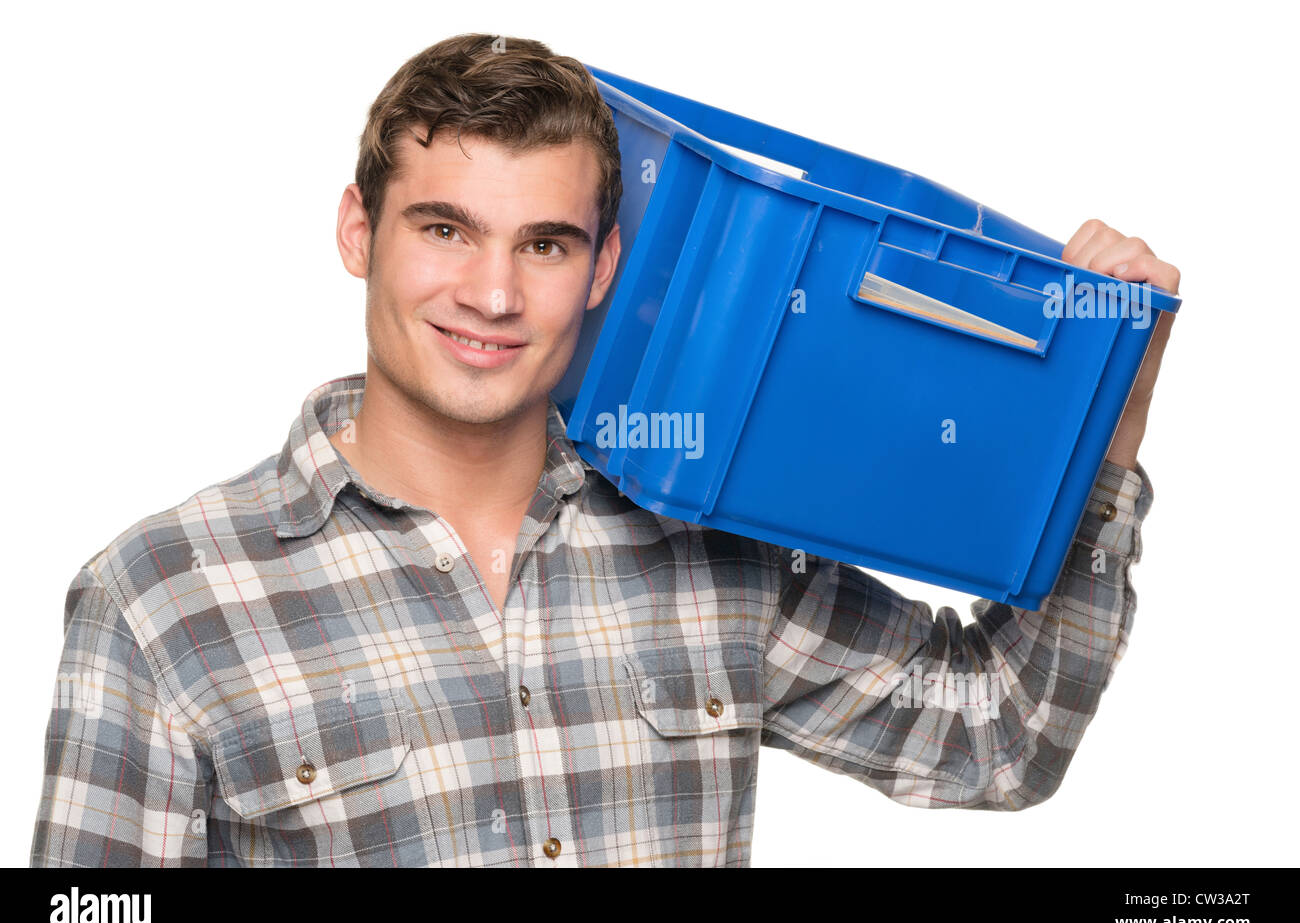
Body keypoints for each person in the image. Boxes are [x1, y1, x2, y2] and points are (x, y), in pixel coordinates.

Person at [30, 32, 1179, 867]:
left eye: (544, 242)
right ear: (357, 231)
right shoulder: (161, 601)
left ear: (604, 268)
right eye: (445, 229)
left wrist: (1108, 439)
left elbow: (998, 741)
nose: (491, 291)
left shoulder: (704, 535)